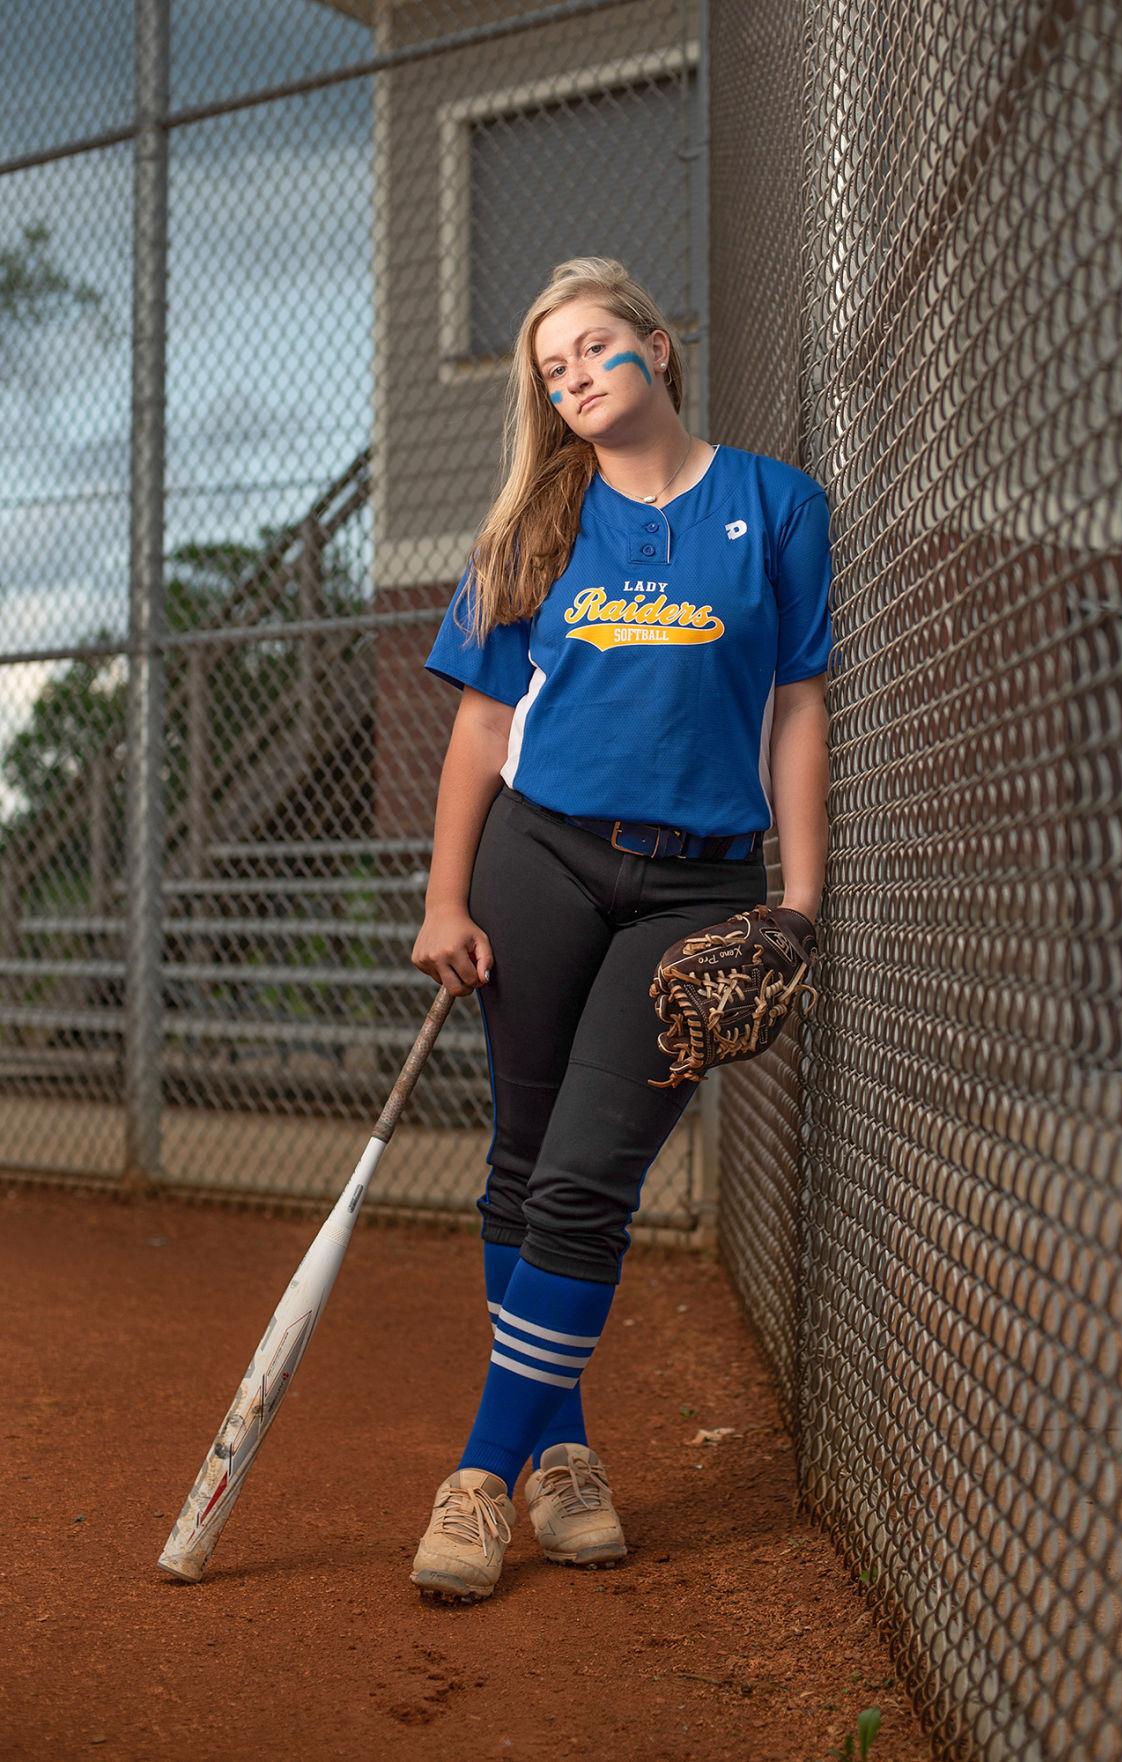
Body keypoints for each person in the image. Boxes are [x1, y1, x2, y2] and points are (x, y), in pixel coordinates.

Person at [408, 255, 832, 1602]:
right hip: (540, 859)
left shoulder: (775, 503)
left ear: (659, 344)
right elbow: (480, 727)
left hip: (700, 890)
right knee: (526, 1162)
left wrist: (799, 903)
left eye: (596, 347)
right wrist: (444, 897)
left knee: (588, 1176)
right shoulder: (536, 521)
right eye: (552, 367)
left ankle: (479, 1473)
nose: (577, 376)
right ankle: (563, 1449)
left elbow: (797, 709)